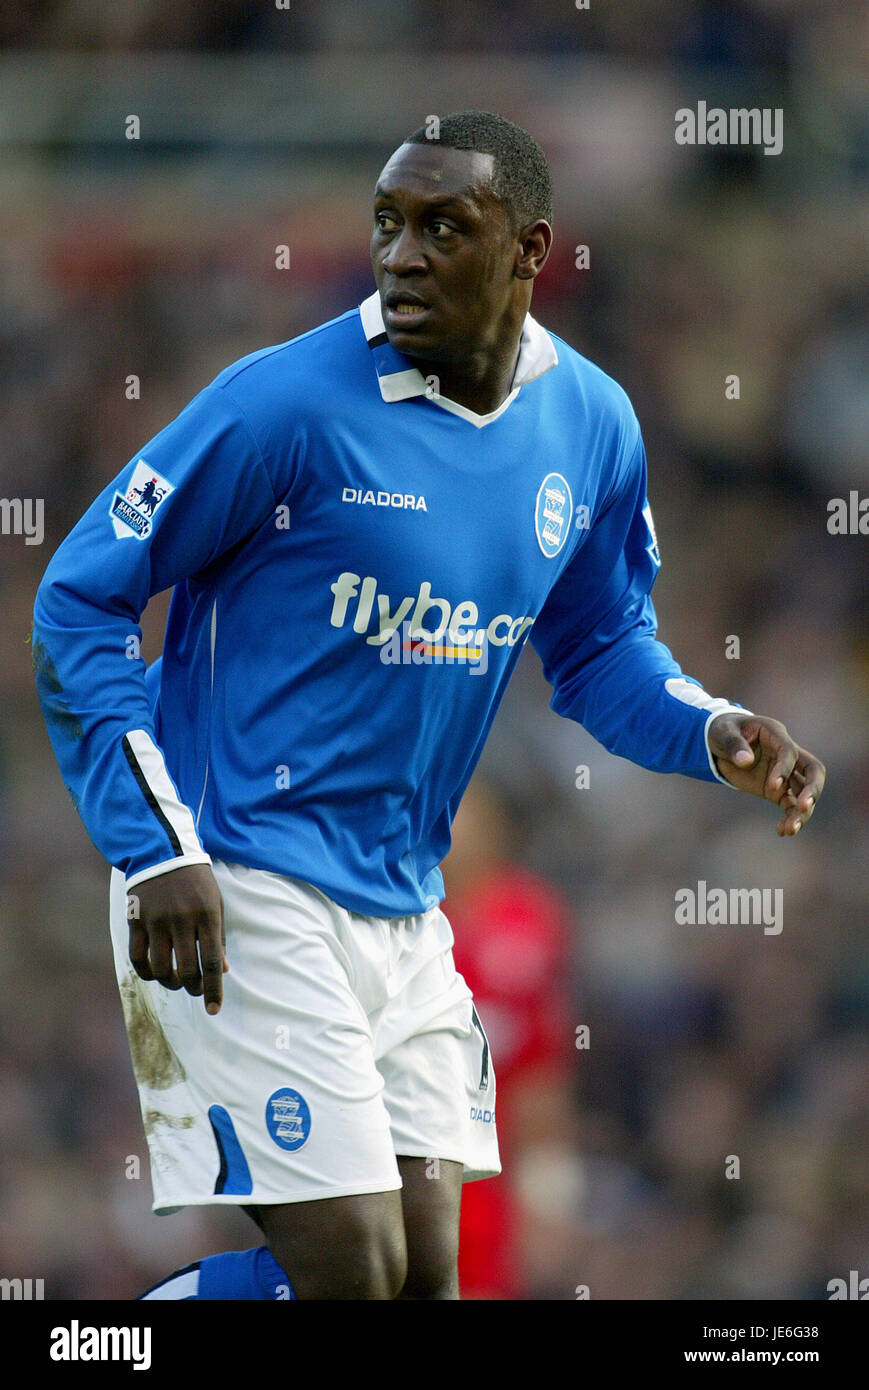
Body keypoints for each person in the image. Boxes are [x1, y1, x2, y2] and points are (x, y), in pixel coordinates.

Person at [31, 111, 825, 1301]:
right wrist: (153, 850)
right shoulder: (282, 406)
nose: (401, 255)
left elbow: (602, 648)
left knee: (426, 1285)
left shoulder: (590, 426)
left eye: (443, 228)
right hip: (235, 876)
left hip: (407, 909)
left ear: (527, 248)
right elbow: (77, 599)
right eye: (388, 224)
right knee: (354, 1271)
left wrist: (709, 731)